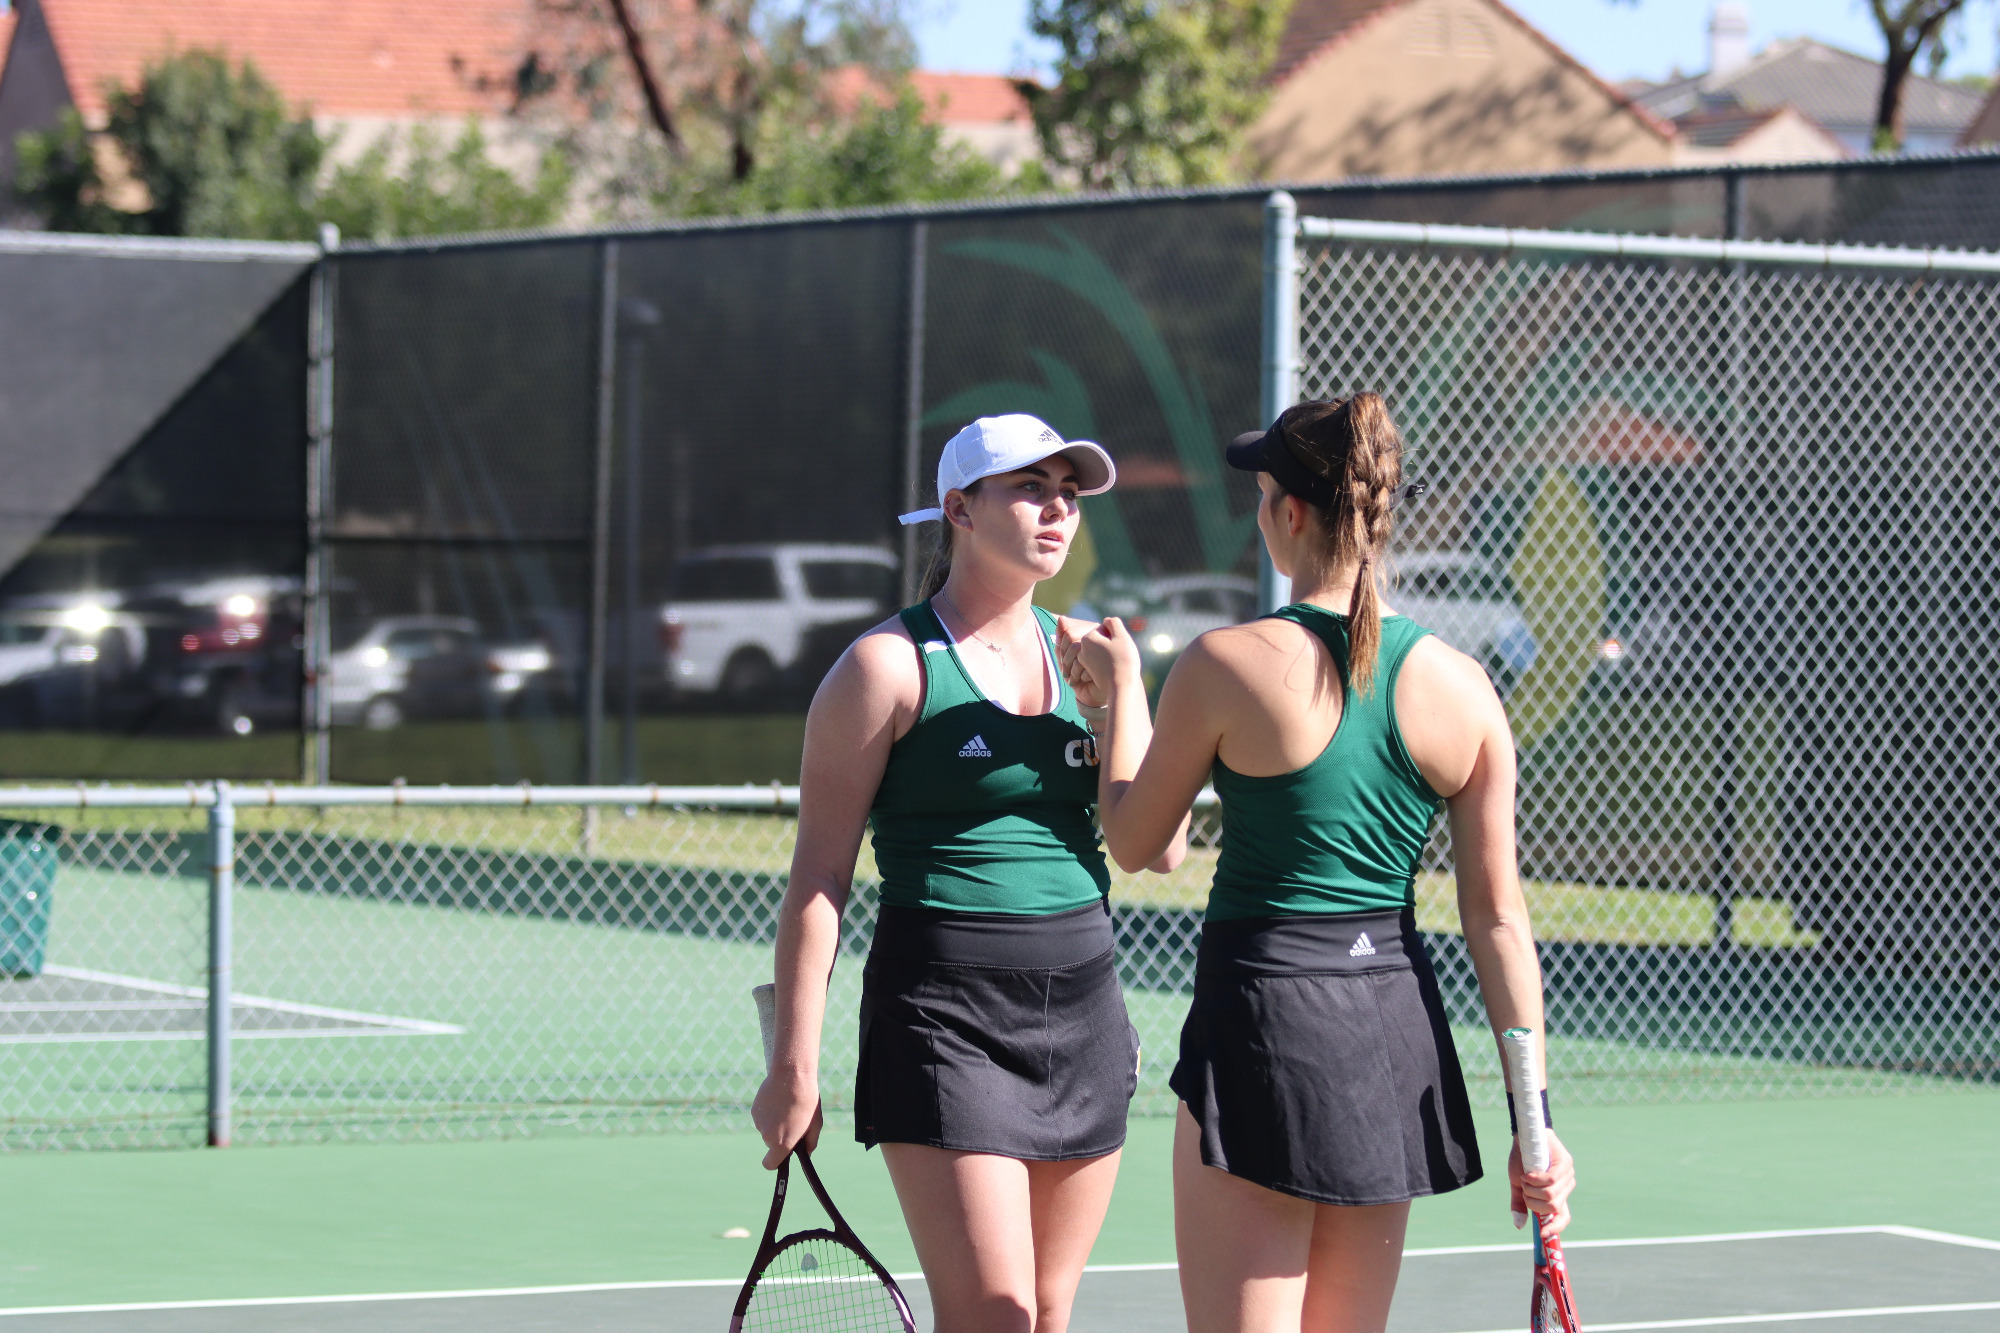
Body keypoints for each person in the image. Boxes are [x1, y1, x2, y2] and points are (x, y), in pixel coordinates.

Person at [1061, 396, 1576, 1333]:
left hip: (1267, 1030)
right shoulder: (1465, 687)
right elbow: (1499, 919)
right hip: (1392, 1038)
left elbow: (1137, 843)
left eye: (1262, 495)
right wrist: (1532, 1121)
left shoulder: (1224, 663)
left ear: (1289, 514)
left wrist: (1114, 699)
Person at [752, 413, 1189, 1333]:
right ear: (959, 508)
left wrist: (1127, 698)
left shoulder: (1093, 656)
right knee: (996, 1310)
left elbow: (1156, 846)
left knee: (1048, 1314)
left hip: (1083, 1010)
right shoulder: (885, 666)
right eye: (1029, 490)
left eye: (1068, 495)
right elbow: (818, 879)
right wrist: (794, 1064)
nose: (1057, 511)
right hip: (944, 1012)